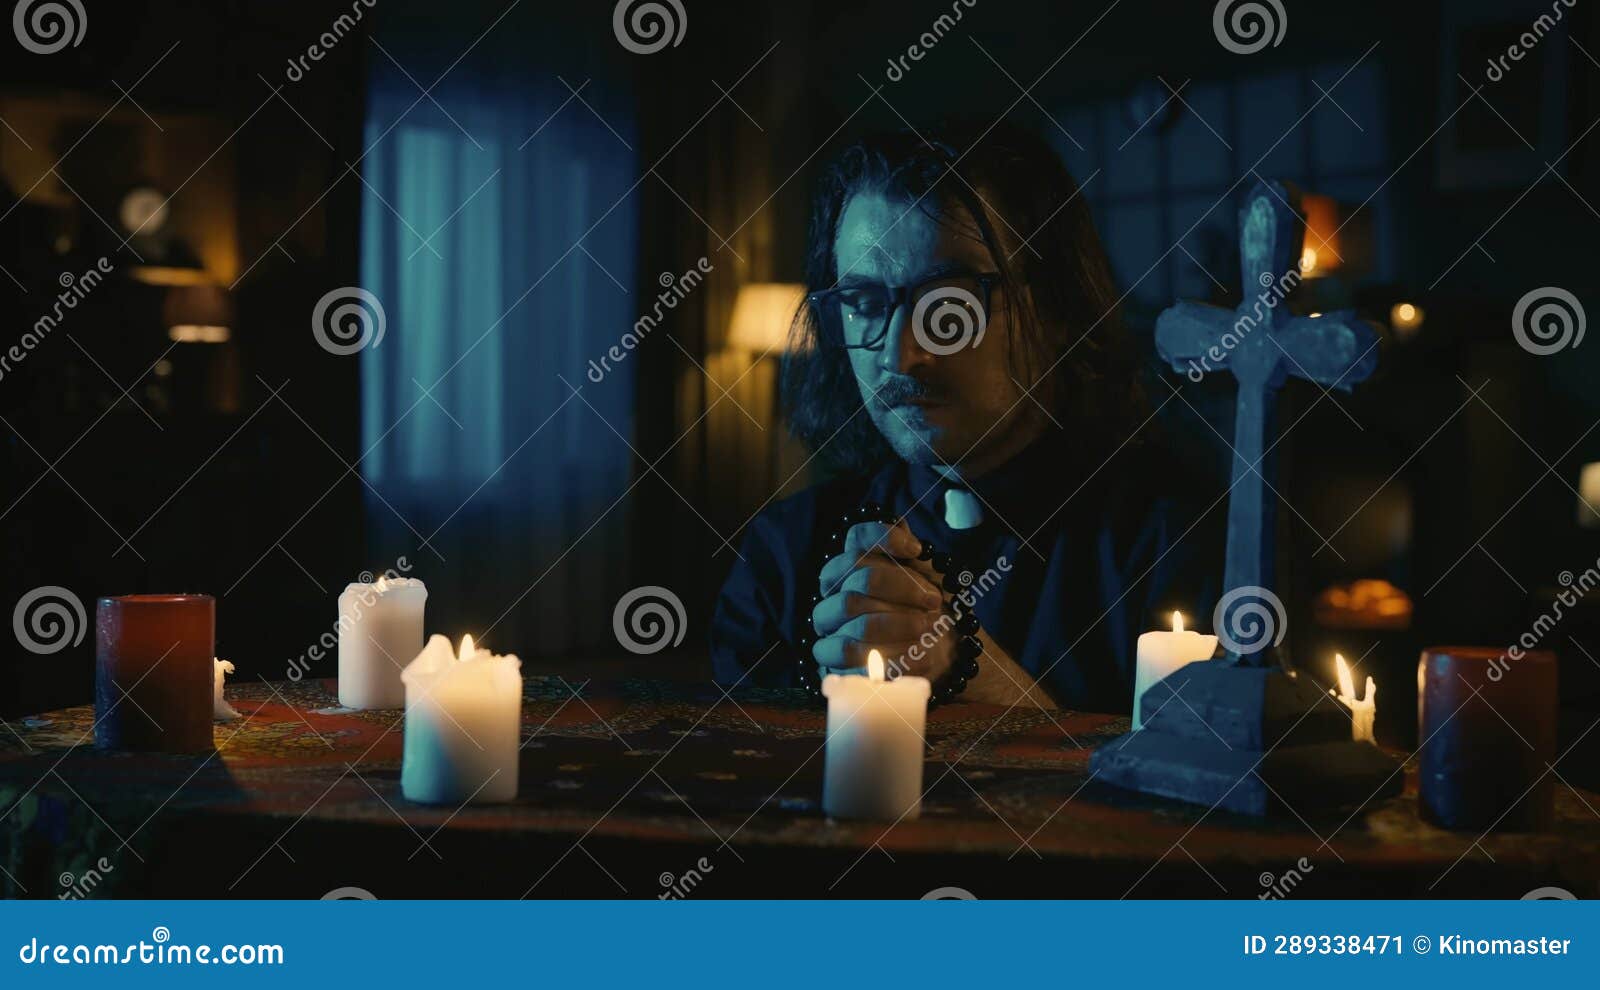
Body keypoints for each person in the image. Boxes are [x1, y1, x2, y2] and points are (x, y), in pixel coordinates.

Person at [710, 120, 1221, 712]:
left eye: (948, 303)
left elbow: (1202, 770)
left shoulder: (1178, 541)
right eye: (864, 303)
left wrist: (969, 669)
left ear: (1055, 305)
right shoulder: (786, 553)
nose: (900, 355)